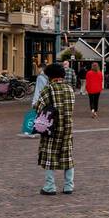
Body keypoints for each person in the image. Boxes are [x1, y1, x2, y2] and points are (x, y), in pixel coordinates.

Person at [35, 62, 76, 194]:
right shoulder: (69, 89)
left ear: (50, 76)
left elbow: (39, 107)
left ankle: (50, 186)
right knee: (67, 155)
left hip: (52, 128)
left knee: (49, 156)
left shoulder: (49, 89)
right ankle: (69, 185)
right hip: (67, 126)